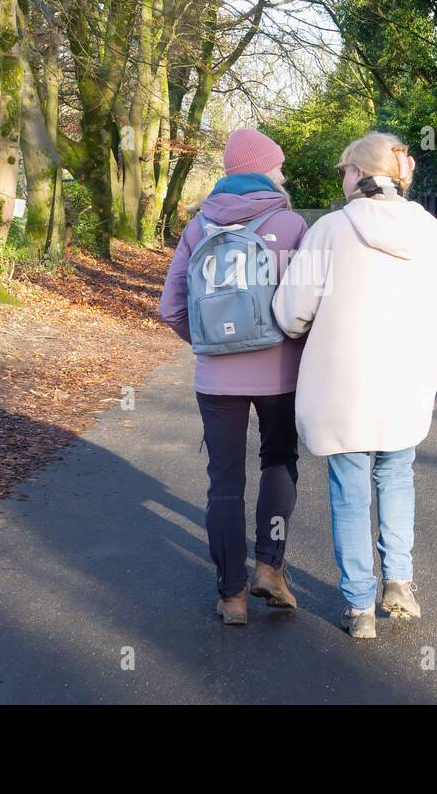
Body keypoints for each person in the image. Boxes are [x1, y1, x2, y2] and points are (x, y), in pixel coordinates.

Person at [273, 132, 437, 639]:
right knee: (398, 473)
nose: (341, 178)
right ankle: (399, 581)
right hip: (407, 378)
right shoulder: (428, 230)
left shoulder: (329, 230)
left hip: (345, 383)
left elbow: (293, 312)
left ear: (358, 173)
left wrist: (300, 328)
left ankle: (359, 607)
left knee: (350, 488)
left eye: (344, 170)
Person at [159, 129, 308, 626]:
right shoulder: (290, 225)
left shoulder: (198, 227)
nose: (283, 174)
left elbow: (171, 308)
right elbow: (307, 305)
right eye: (279, 165)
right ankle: (270, 566)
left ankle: (231, 597)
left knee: (223, 483)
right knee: (278, 463)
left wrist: (210, 346)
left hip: (215, 379)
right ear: (264, 169)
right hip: (280, 374)